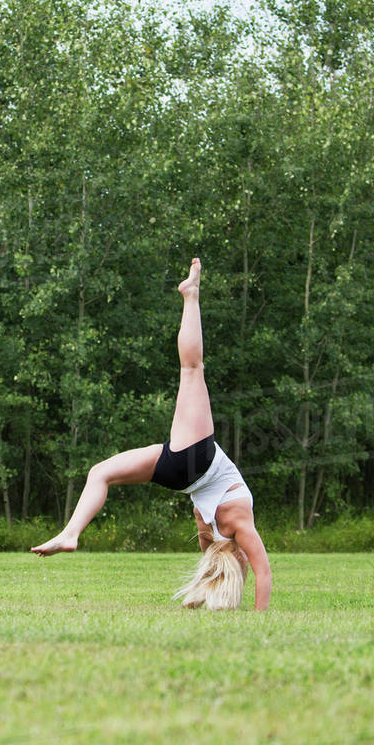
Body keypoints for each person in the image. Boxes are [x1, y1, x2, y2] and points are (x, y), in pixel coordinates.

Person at [31, 258, 271, 610]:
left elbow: (262, 572)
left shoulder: (235, 523)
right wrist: (250, 609)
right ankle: (69, 534)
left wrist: (260, 618)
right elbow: (251, 567)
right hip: (183, 476)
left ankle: (192, 296)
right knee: (101, 472)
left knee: (192, 370)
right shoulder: (217, 534)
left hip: (196, 460)